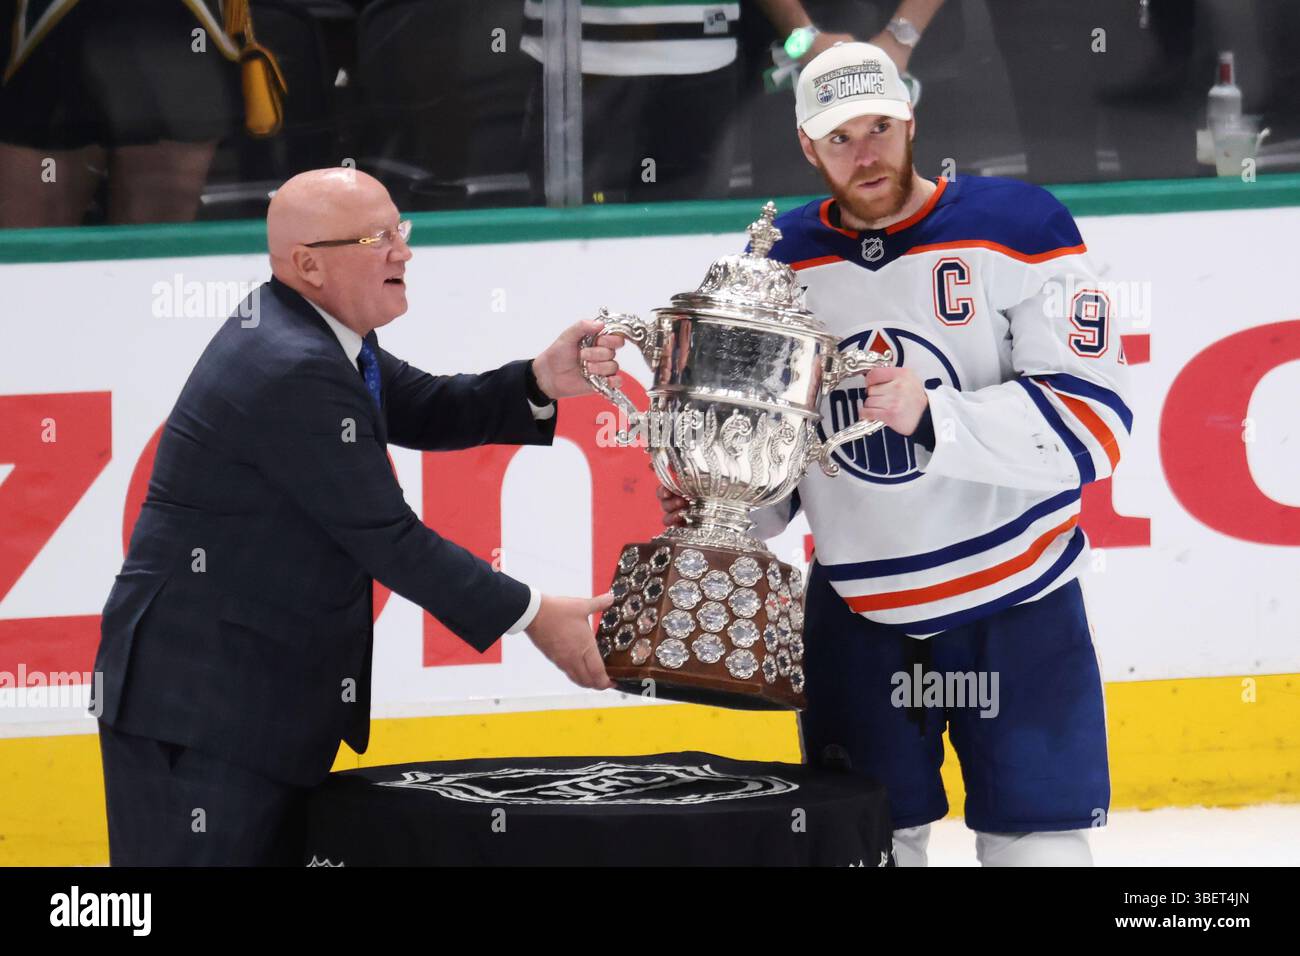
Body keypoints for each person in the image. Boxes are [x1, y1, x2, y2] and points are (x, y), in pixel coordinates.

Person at [657, 42, 1130, 866]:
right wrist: (726, 499)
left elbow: (1096, 423)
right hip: (859, 616)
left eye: (880, 126)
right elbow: (781, 460)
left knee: (1039, 848)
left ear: (911, 118)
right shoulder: (774, 264)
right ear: (807, 147)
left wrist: (931, 417)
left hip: (1019, 603)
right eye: (840, 137)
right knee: (867, 847)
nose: (866, 152)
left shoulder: (1021, 226)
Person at [93, 167, 623, 866]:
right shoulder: (291, 366)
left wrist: (537, 380)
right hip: (200, 716)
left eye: (401, 230)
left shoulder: (317, 331)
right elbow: (391, 539)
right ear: (309, 263)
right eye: (378, 238)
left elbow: (425, 404)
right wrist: (532, 615)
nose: (403, 252)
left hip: (246, 708)